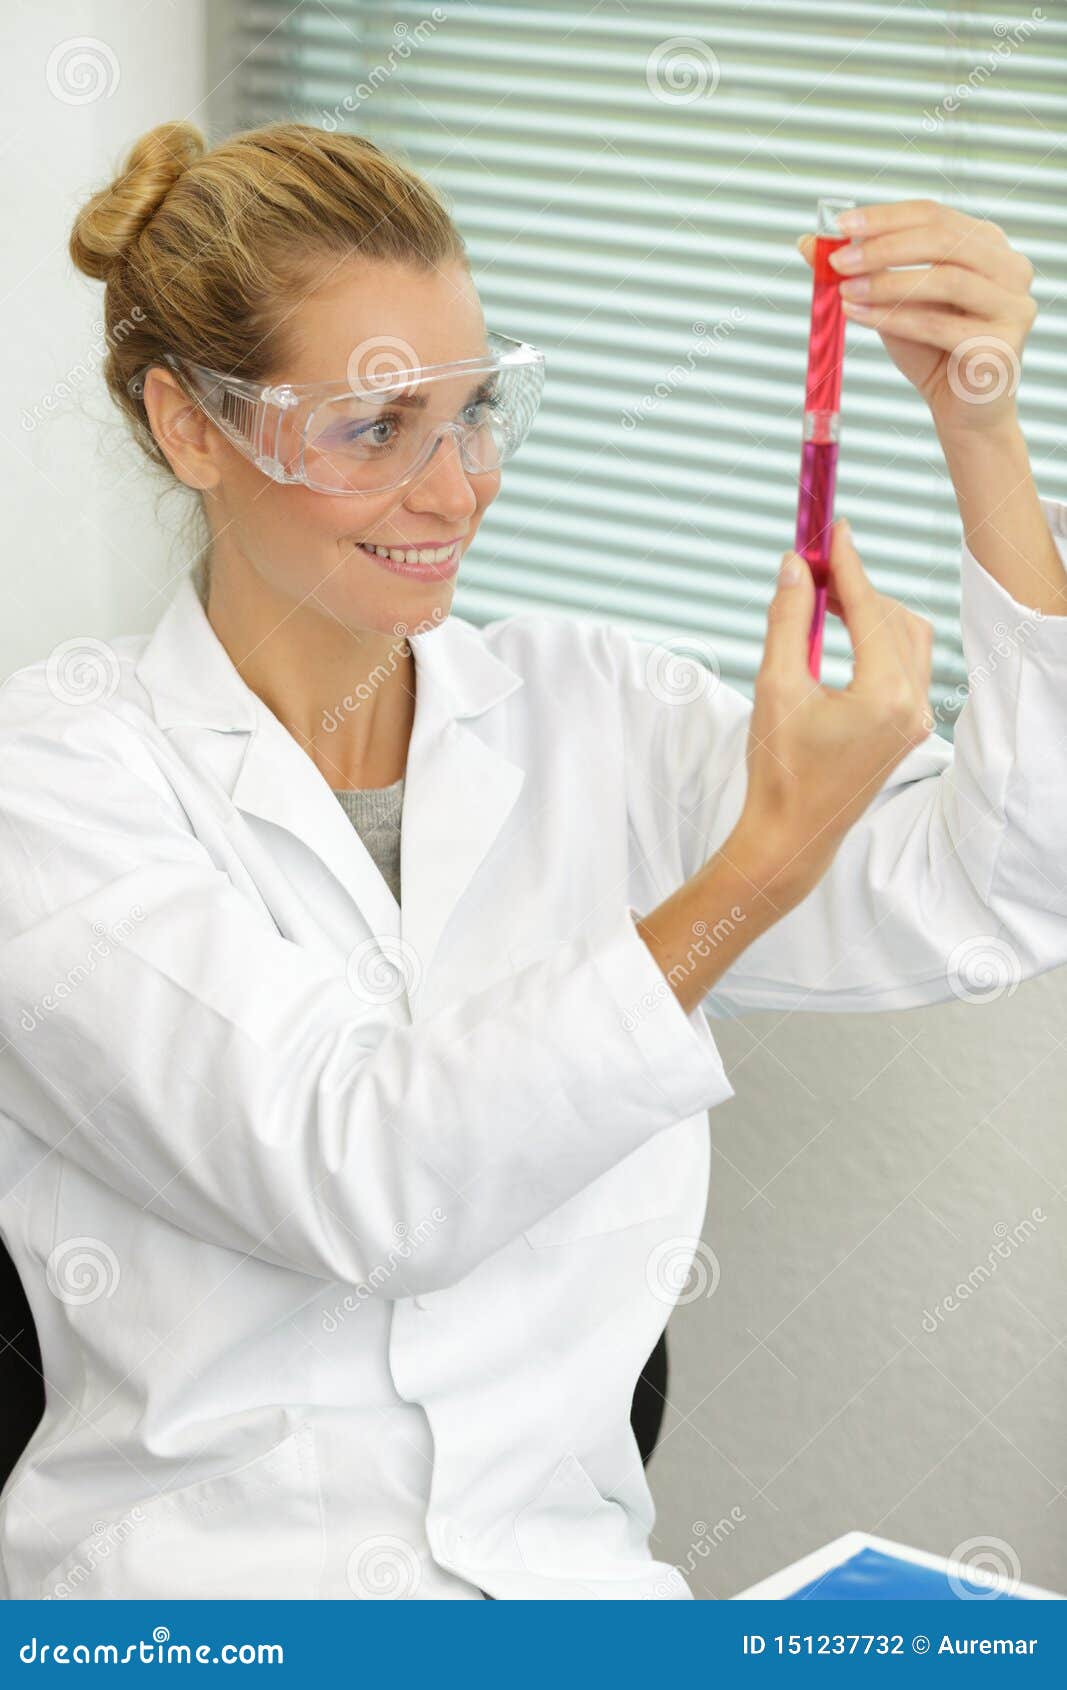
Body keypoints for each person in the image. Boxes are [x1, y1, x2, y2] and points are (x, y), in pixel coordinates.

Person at [0, 119, 1063, 1602]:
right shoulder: (53, 783)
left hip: (569, 1602)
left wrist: (979, 430)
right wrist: (754, 870)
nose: (458, 491)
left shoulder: (590, 710)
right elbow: (370, 1177)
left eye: (476, 411)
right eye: (376, 429)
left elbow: (1003, 889)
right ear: (192, 428)